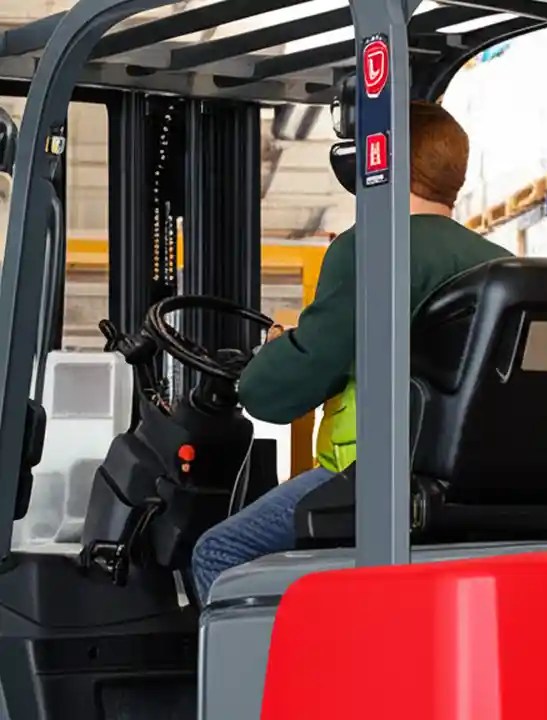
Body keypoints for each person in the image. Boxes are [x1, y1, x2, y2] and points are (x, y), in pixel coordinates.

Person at [189, 101, 512, 602]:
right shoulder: (500, 265)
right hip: (479, 490)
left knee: (218, 553)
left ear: (377, 159)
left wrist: (273, 358)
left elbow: (277, 392)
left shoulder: (373, 248)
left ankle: (277, 684)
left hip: (378, 483)